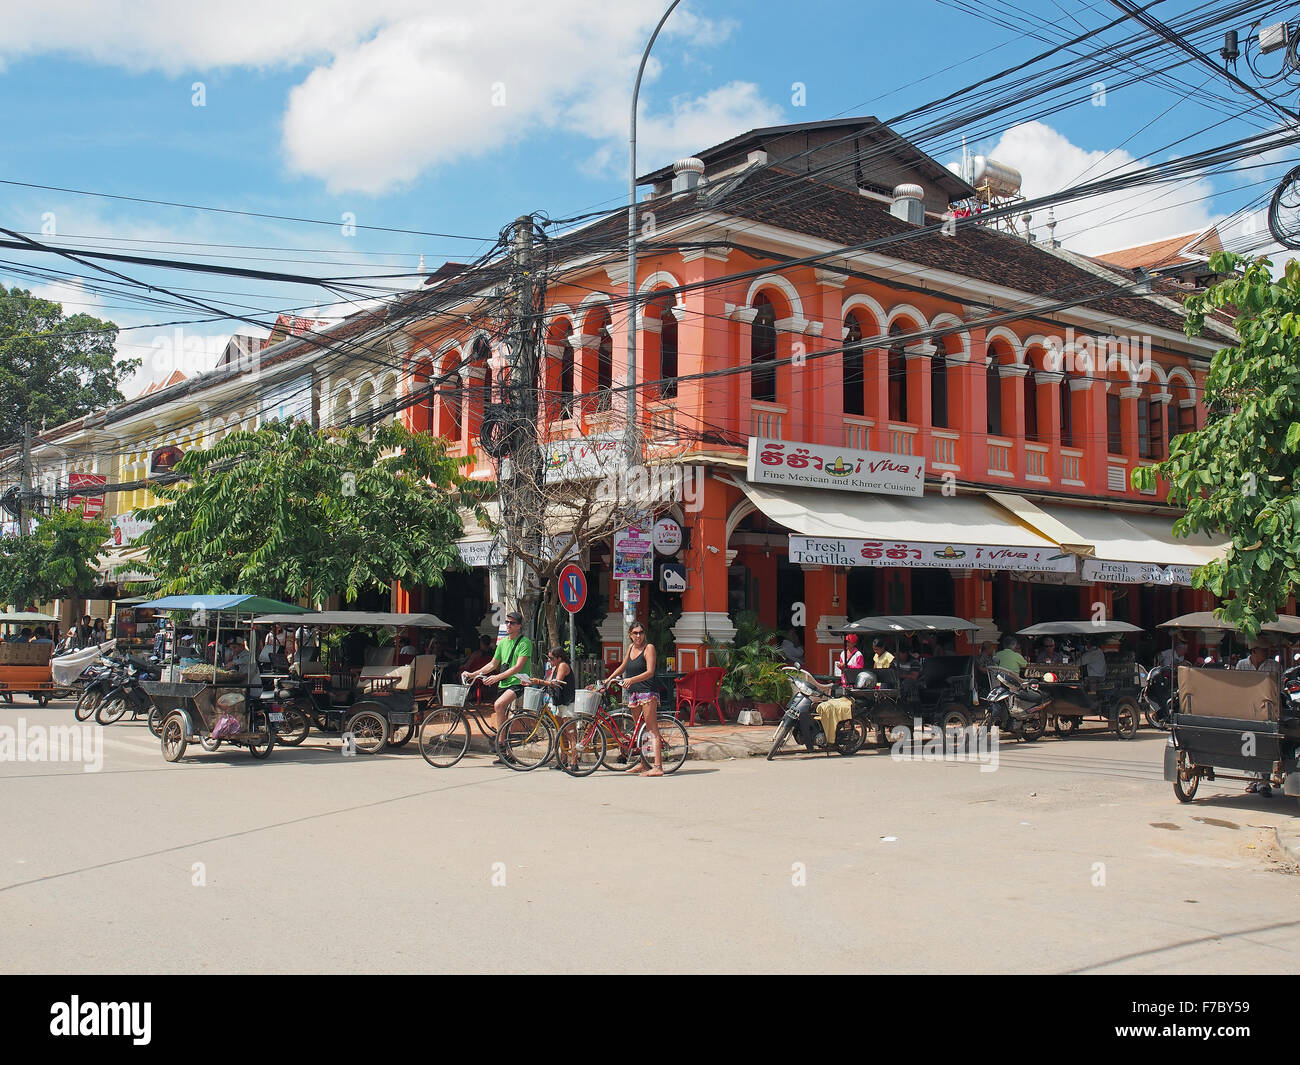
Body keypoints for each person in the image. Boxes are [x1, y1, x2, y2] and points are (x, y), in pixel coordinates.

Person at [461, 611, 534, 759]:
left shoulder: (525, 643)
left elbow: (517, 668)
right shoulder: (503, 643)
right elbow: (493, 664)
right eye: (507, 622)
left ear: (519, 626)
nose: (508, 625)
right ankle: (505, 753)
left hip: (518, 682)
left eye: (512, 623)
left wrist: (496, 677)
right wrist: (472, 674)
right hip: (504, 682)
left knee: (499, 705)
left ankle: (500, 744)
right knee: (501, 711)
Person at [601, 621, 663, 776]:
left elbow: (650, 672)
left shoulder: (649, 648)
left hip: (647, 692)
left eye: (641, 632)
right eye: (635, 633)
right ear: (630, 635)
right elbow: (623, 666)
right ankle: (643, 763)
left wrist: (631, 680)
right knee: (639, 729)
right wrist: (609, 679)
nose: (638, 636)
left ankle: (658, 766)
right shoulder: (630, 648)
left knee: (651, 729)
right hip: (633, 693)